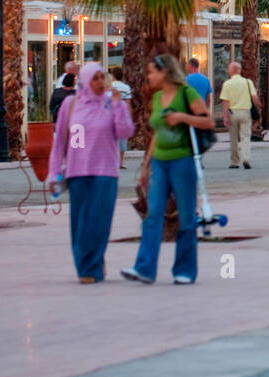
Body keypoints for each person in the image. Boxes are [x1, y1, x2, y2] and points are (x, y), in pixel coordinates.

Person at [121, 53, 212, 285]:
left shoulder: (186, 94)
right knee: (153, 215)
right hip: (160, 163)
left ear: (165, 72)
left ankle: (185, 270)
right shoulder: (158, 97)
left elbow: (208, 122)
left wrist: (182, 117)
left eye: (152, 72)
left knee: (186, 215)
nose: (148, 77)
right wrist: (146, 166)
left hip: (182, 161)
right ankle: (144, 268)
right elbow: (156, 135)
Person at [47, 62, 133, 284]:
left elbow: (125, 131)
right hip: (77, 172)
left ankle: (91, 266)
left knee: (99, 221)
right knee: (81, 222)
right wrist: (54, 173)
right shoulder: (71, 104)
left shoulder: (111, 103)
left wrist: (117, 106)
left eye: (102, 77)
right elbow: (60, 142)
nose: (99, 82)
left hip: (106, 172)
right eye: (94, 78)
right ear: (84, 80)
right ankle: (86, 265)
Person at [219, 61, 259, 169]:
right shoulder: (247, 82)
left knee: (233, 138)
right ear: (239, 71)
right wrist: (254, 106)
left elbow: (225, 102)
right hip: (245, 112)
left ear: (232, 71)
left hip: (233, 112)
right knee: (245, 136)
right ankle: (246, 158)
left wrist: (225, 116)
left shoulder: (227, 84)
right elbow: (254, 98)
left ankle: (235, 162)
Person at [108, 65, 132, 168]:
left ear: (113, 75)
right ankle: (120, 162)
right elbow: (128, 104)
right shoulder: (126, 88)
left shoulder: (109, 87)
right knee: (122, 140)